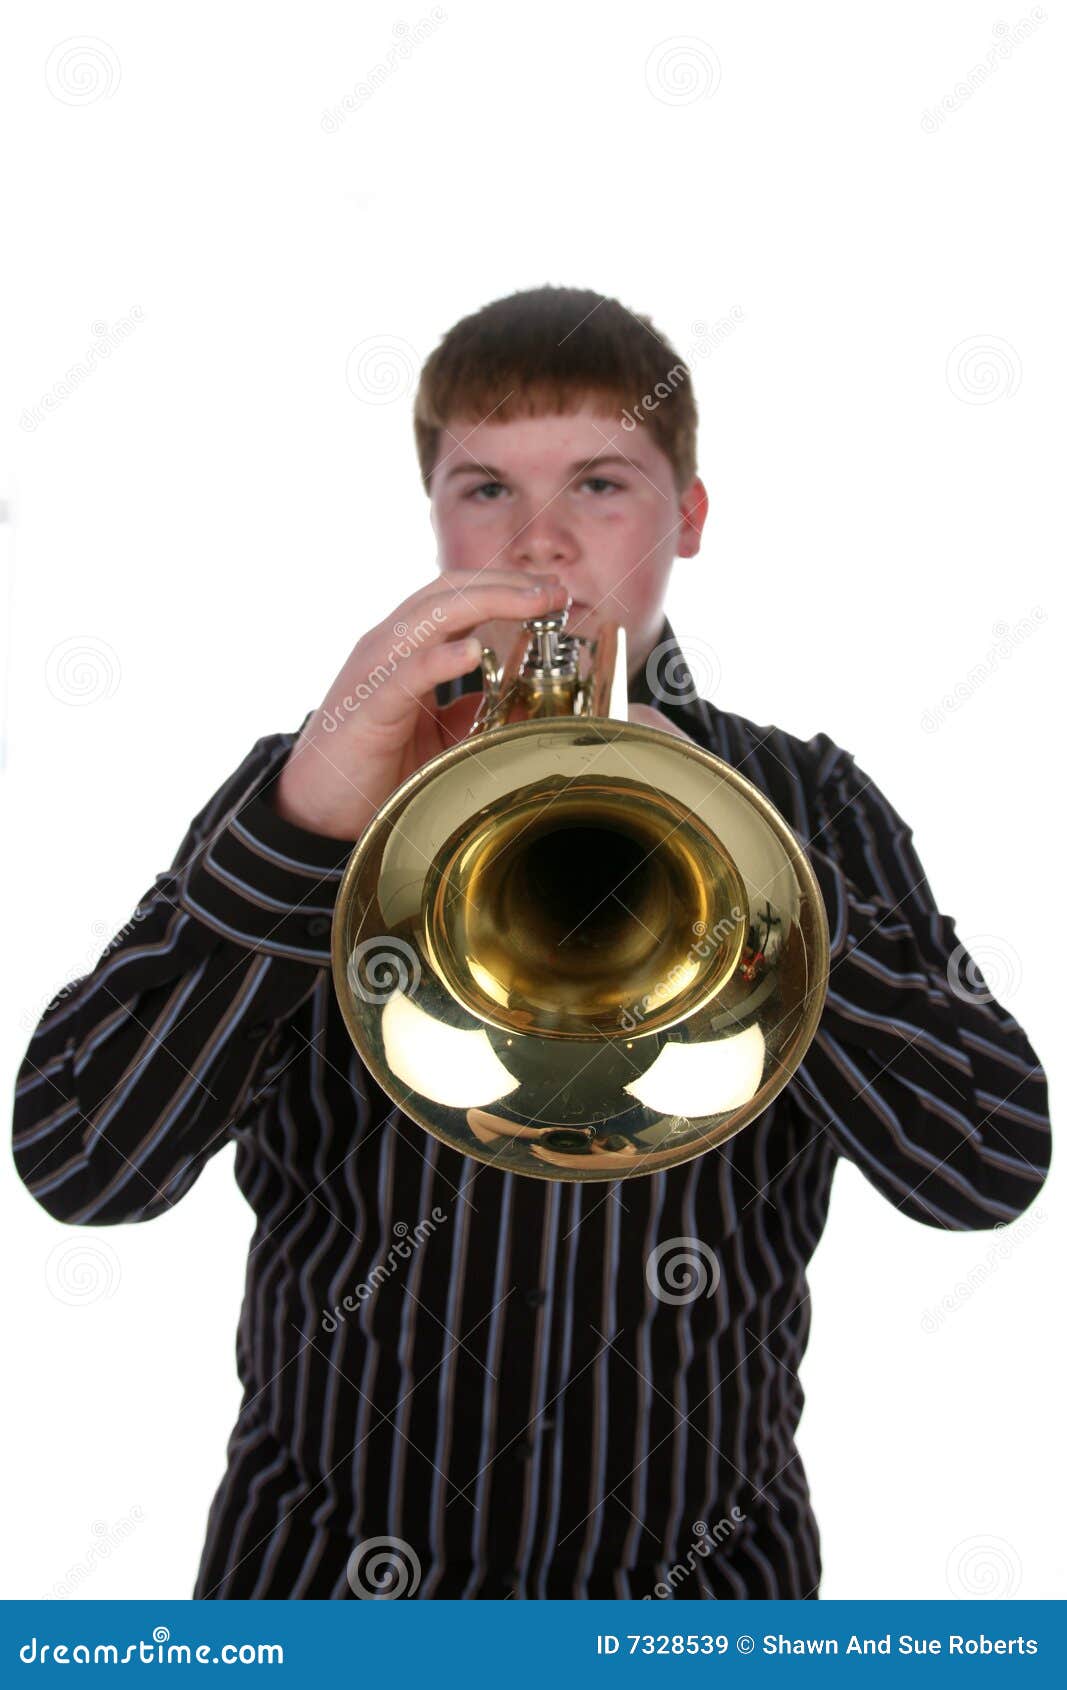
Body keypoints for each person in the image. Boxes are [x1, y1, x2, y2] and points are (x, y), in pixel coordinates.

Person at [11, 286, 1051, 1601]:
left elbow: (989, 1165)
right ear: (435, 515)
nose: (545, 542)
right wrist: (302, 826)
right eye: (487, 488)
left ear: (691, 516)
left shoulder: (811, 800)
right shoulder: (309, 791)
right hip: (325, 1608)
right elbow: (80, 1159)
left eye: (603, 485)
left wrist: (763, 887)